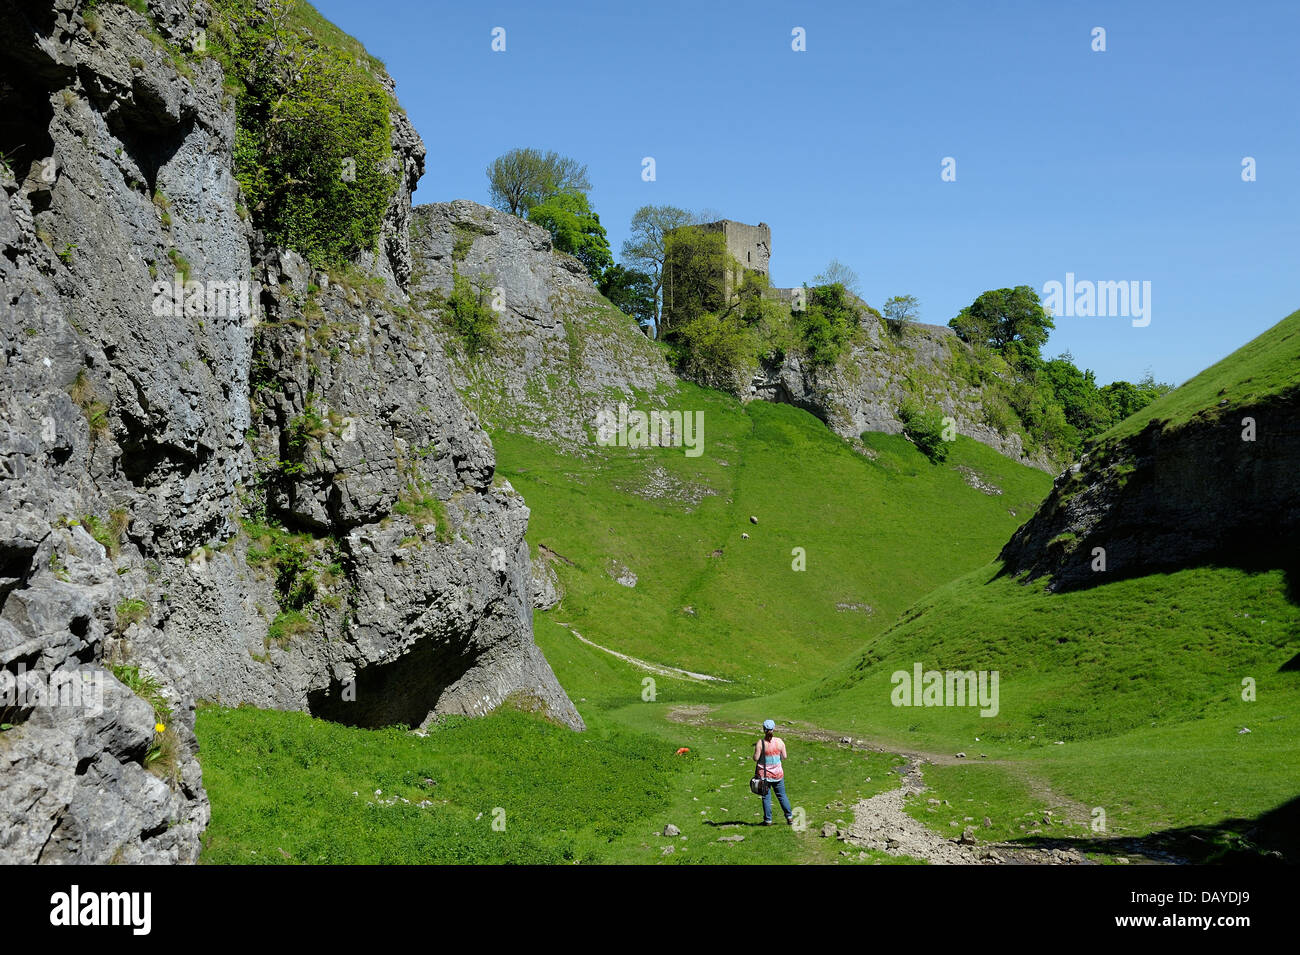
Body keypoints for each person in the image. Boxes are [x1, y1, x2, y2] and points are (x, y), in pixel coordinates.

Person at [754, 719, 793, 826]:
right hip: (778, 774)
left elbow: (755, 758)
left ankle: (768, 820)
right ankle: (789, 817)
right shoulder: (780, 741)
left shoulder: (761, 743)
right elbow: (784, 757)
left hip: (764, 775)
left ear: (763, 730)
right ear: (774, 728)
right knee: (782, 796)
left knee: (766, 797)